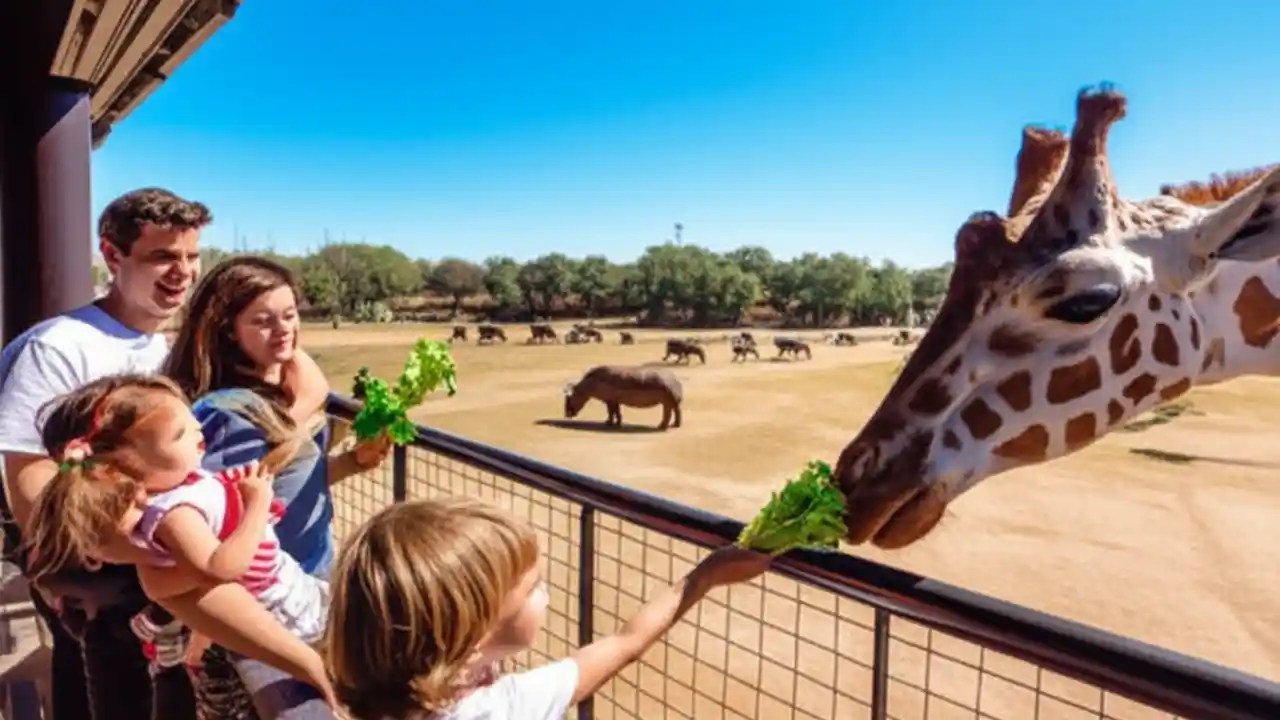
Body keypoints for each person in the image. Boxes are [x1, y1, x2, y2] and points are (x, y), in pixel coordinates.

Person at [0, 187, 331, 719]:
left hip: (177, 576)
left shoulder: (168, 348)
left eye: (191, 256)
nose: (182, 271)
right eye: (162, 256)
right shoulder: (57, 347)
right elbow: (30, 492)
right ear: (112, 255)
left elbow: (289, 363)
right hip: (113, 586)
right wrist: (160, 546)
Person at [162, 255, 391, 718]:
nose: (283, 330)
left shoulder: (271, 395)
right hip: (261, 599)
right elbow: (225, 503)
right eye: (262, 321)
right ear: (229, 330)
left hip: (305, 578)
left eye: (290, 315)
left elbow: (276, 485)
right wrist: (309, 403)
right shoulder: (227, 411)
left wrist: (349, 462)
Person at [21, 373, 335, 699]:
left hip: (296, 595)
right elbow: (216, 570)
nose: (200, 431)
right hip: (291, 616)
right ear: (122, 469)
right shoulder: (173, 518)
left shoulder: (185, 486)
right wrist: (257, 505)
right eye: (180, 433)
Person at [327, 497, 772, 720]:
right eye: (533, 589)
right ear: (475, 629)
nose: (546, 597)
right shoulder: (505, 708)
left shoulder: (382, 695)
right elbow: (624, 644)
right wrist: (705, 576)